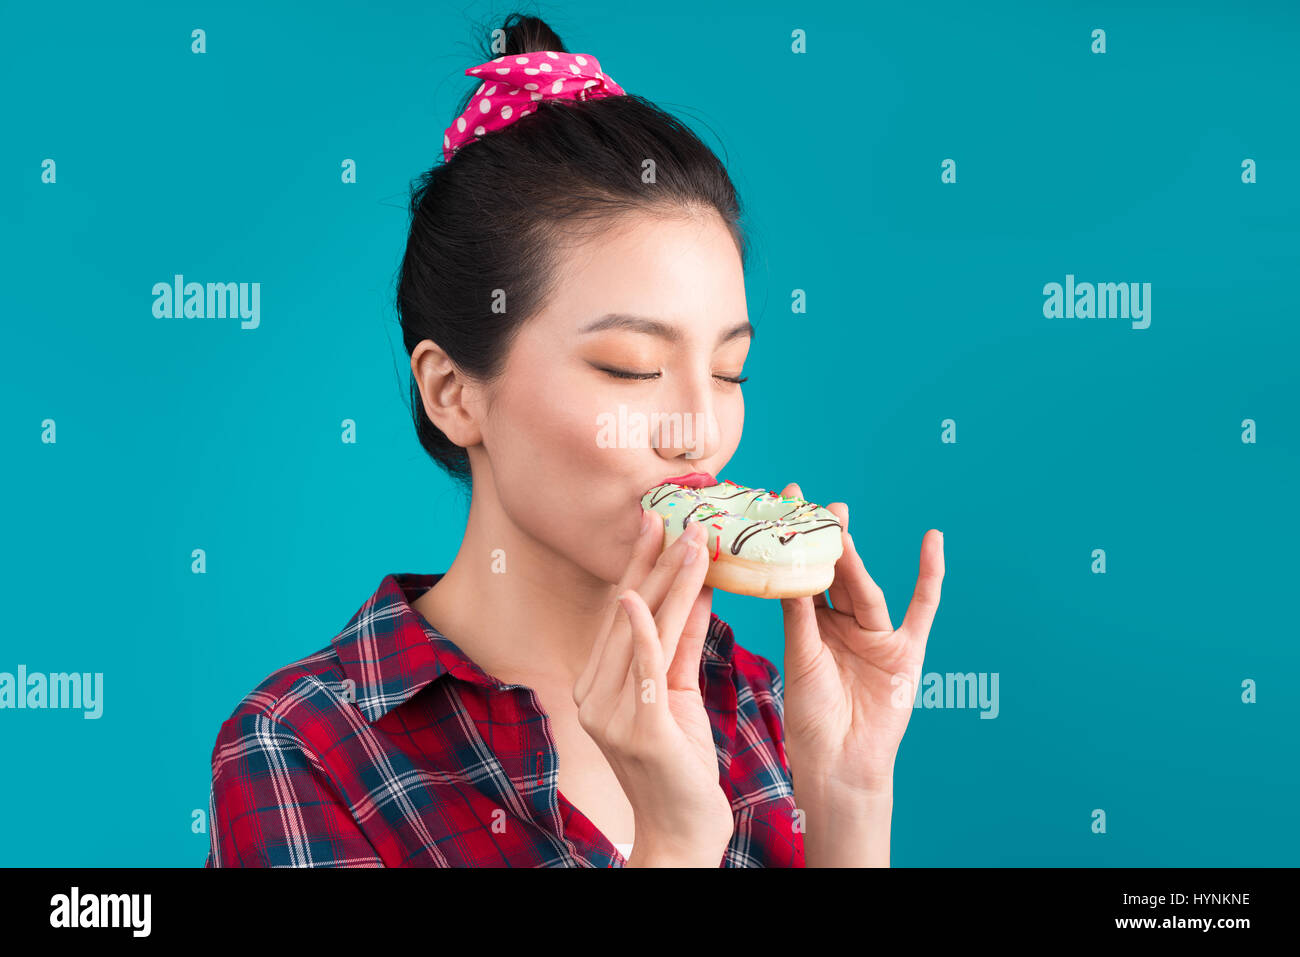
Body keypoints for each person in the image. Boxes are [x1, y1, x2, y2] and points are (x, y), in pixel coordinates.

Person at [204, 12, 944, 868]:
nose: (698, 429)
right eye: (631, 367)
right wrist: (672, 842)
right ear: (454, 394)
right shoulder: (303, 752)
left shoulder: (763, 708)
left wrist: (850, 804)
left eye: (730, 371)